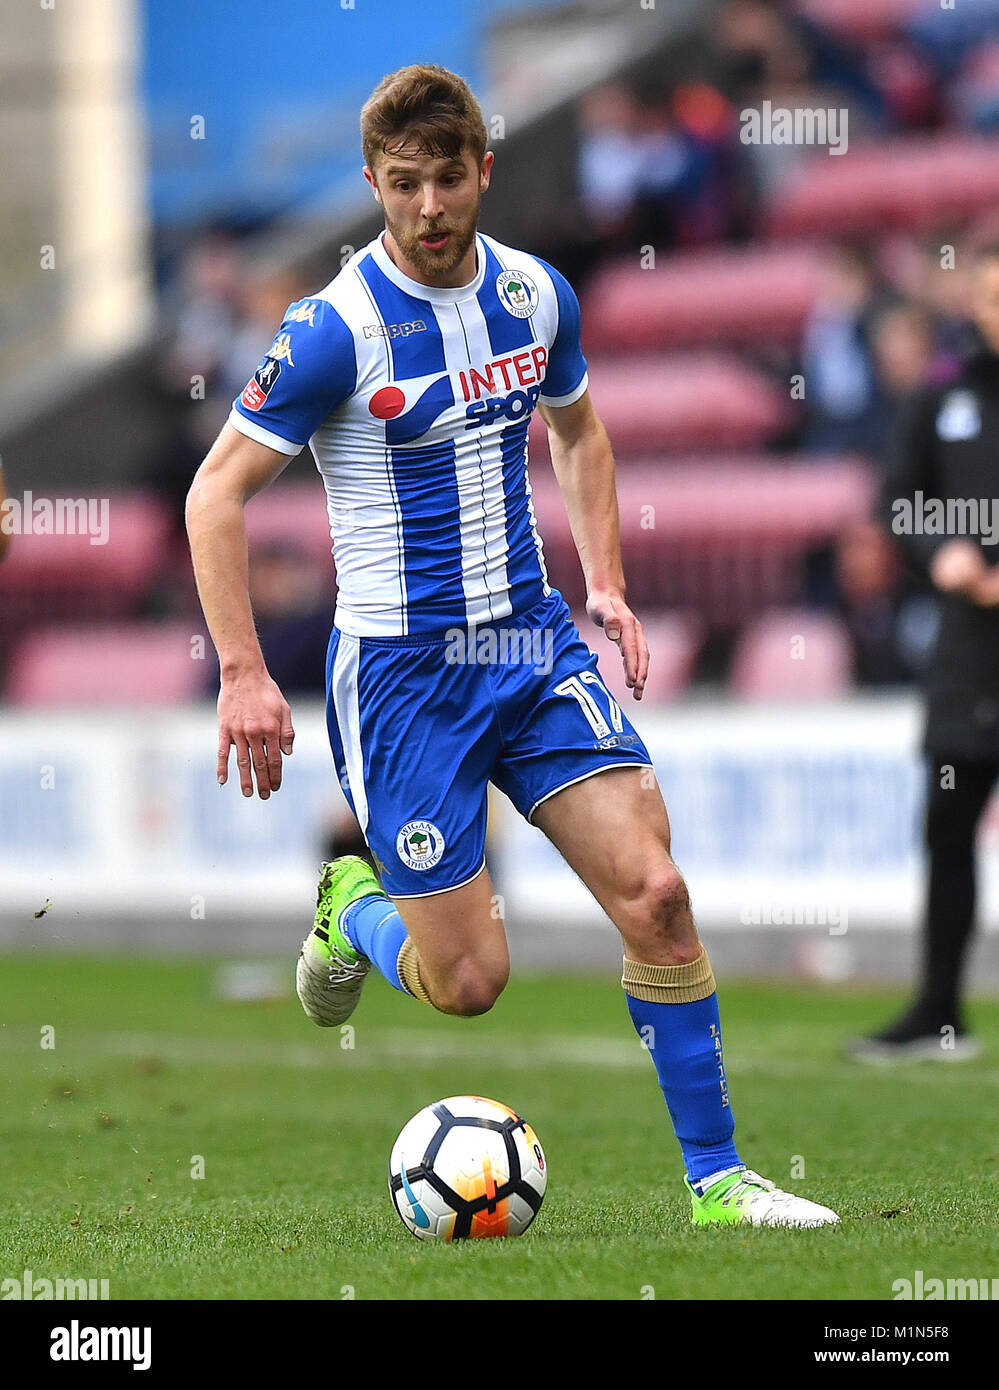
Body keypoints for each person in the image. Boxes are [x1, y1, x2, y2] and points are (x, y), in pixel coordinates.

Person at [186, 64, 838, 1228]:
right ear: (374, 188)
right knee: (469, 984)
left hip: (530, 648)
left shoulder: (535, 295)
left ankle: (719, 1182)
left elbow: (580, 431)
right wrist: (243, 669)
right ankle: (353, 906)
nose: (428, 207)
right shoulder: (333, 330)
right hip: (401, 678)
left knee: (659, 893)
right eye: (402, 186)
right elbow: (213, 495)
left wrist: (611, 584)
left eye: (447, 178)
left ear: (483, 170)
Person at [852, 240, 999, 1062]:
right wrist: (941, 547)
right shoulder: (942, 389)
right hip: (970, 649)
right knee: (947, 825)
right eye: (990, 295)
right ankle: (938, 1013)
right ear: (972, 303)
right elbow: (896, 499)